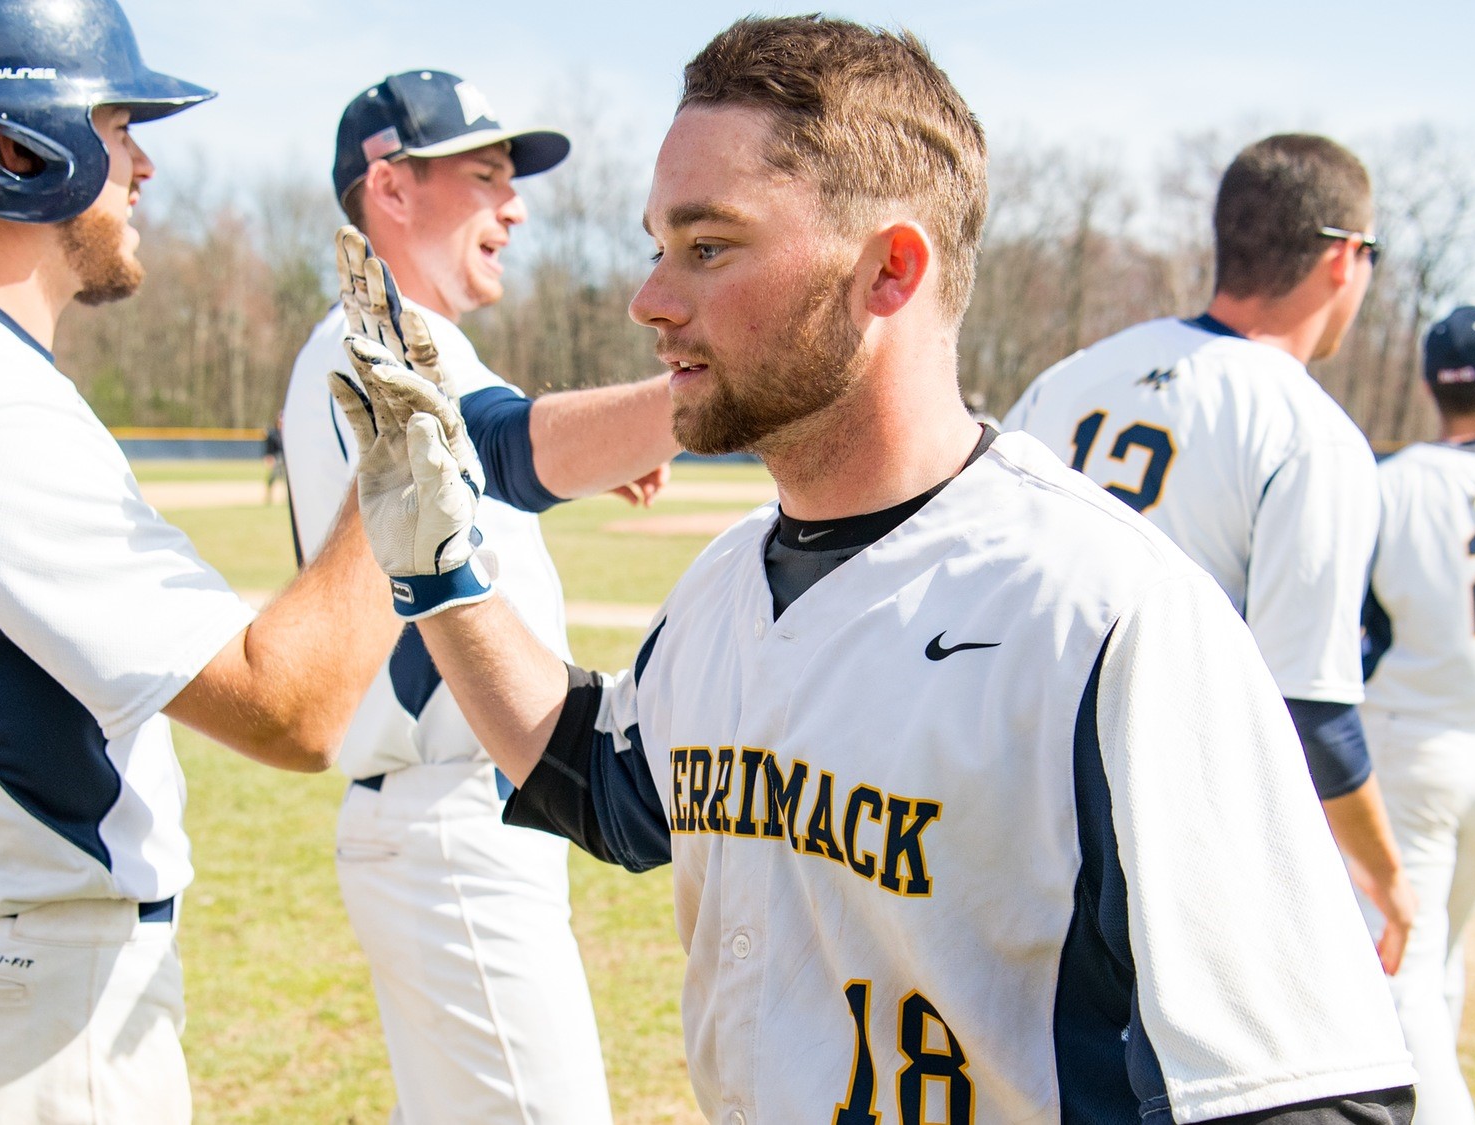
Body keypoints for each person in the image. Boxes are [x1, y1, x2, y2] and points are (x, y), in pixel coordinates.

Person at [333, 16, 1416, 1122]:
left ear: (890, 270)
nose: (649, 299)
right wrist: (439, 575)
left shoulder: (1106, 613)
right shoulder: (725, 584)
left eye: (708, 246)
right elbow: (610, 788)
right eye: (658, 244)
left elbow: (1313, 1096)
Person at [0, 2, 399, 1120]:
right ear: (14, 141)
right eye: (118, 122)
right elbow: (293, 709)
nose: (143, 165)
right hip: (30, 1019)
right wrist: (397, 473)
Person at [281, 70, 677, 1123]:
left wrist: (605, 448)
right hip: (450, 816)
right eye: (488, 175)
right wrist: (710, 392)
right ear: (390, 188)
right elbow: (509, 447)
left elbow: (496, 451)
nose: (517, 205)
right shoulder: (379, 332)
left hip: (450, 816)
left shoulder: (378, 337)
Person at [1003, 133, 1417, 975]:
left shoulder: (1071, 374)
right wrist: (1386, 874)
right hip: (1166, 841)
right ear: (1343, 258)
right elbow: (1310, 708)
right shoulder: (1311, 433)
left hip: (1010, 792)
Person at [1359, 304, 1475, 1124]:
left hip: (1411, 746)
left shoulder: (1387, 481)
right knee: (1437, 957)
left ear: (1434, 382)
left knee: (1406, 969)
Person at [263, 412, 286, 504]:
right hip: (276, 458)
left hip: (285, 459)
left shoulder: (287, 433)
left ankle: (286, 499)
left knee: (285, 479)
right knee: (272, 477)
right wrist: (268, 457)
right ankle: (268, 497)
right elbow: (269, 448)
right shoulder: (272, 434)